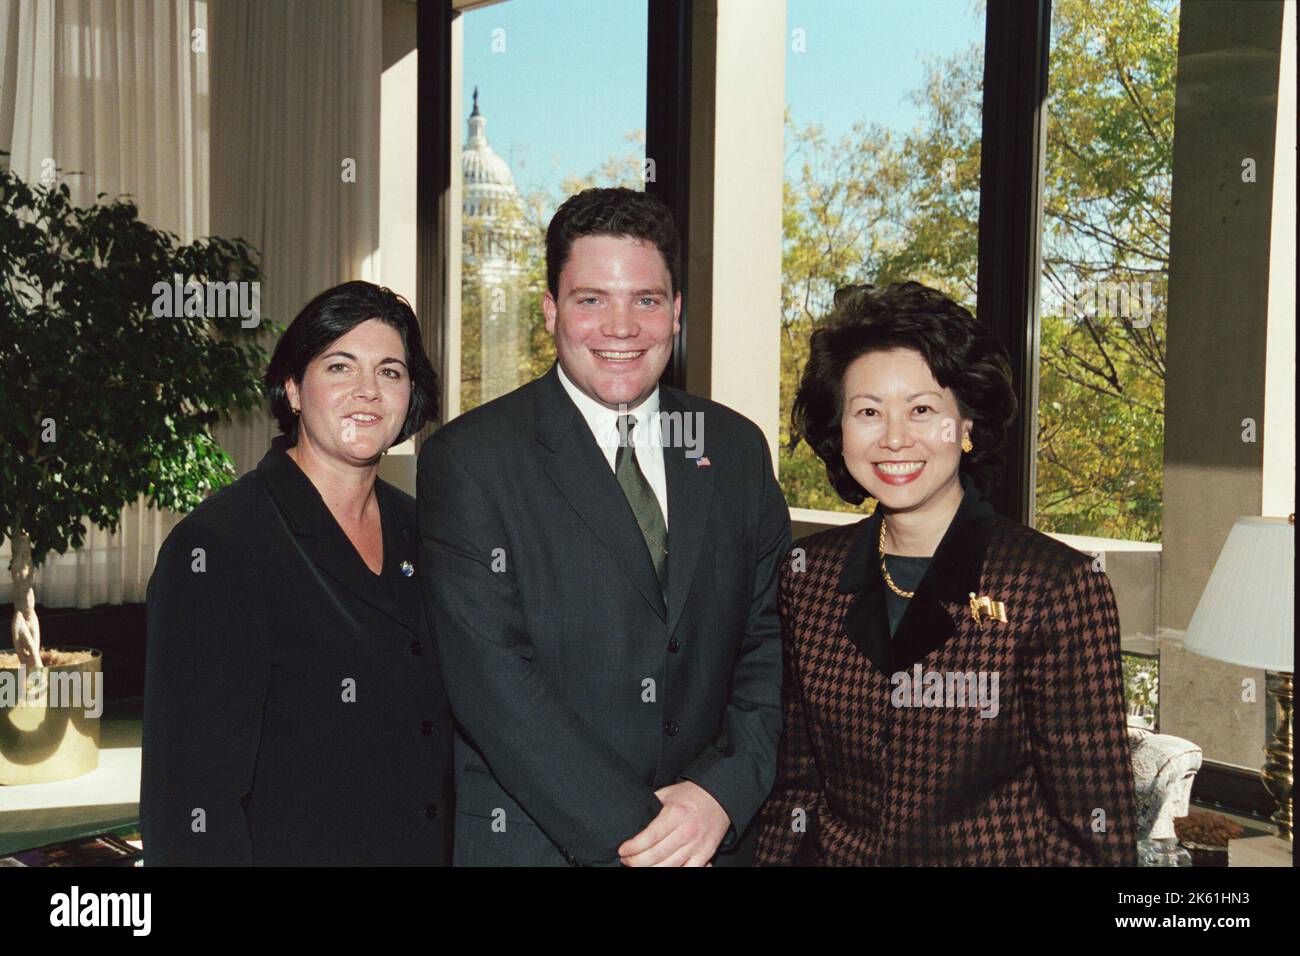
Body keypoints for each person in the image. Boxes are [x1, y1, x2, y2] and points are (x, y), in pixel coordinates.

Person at [419, 187, 790, 866]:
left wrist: (720, 796)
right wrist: (648, 841)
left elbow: (767, 648)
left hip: (713, 840)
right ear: (551, 311)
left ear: (676, 312)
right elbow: (497, 689)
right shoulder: (472, 461)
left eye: (646, 300)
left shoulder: (733, 449)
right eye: (591, 300)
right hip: (543, 847)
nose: (621, 328)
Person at [753, 281, 1137, 866]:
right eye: (868, 412)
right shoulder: (809, 577)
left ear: (967, 425)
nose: (896, 438)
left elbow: (1093, 833)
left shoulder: (1054, 587)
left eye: (923, 409)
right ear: (841, 431)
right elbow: (797, 788)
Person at [141, 280, 452, 865]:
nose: (367, 390)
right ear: (292, 388)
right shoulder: (221, 549)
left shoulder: (425, 531)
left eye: (390, 371)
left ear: (412, 397)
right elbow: (187, 802)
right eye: (340, 366)